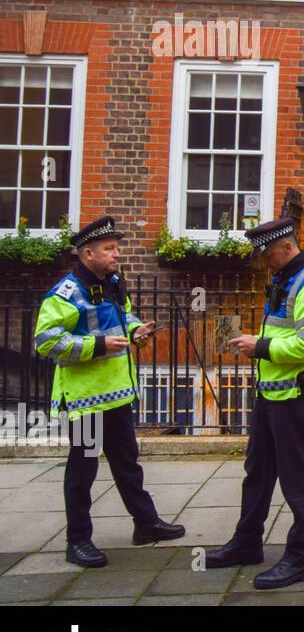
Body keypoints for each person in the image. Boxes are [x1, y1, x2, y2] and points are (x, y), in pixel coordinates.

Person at [35, 216, 186, 568]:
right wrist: (98, 345)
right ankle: (78, 541)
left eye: (116, 247)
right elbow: (47, 342)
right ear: (88, 253)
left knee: (127, 463)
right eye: (110, 249)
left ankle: (145, 524)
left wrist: (136, 330)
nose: (117, 254)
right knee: (83, 469)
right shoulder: (65, 294)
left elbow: (125, 317)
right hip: (85, 399)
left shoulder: (114, 283)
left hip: (117, 394)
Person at [204, 217, 304, 590]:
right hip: (271, 393)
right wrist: (256, 344)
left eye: (266, 254)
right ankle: (247, 543)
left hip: (295, 396)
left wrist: (259, 346)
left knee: (297, 480)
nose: (263, 261)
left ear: (287, 246)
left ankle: (300, 558)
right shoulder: (285, 280)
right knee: (258, 474)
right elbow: (284, 334)